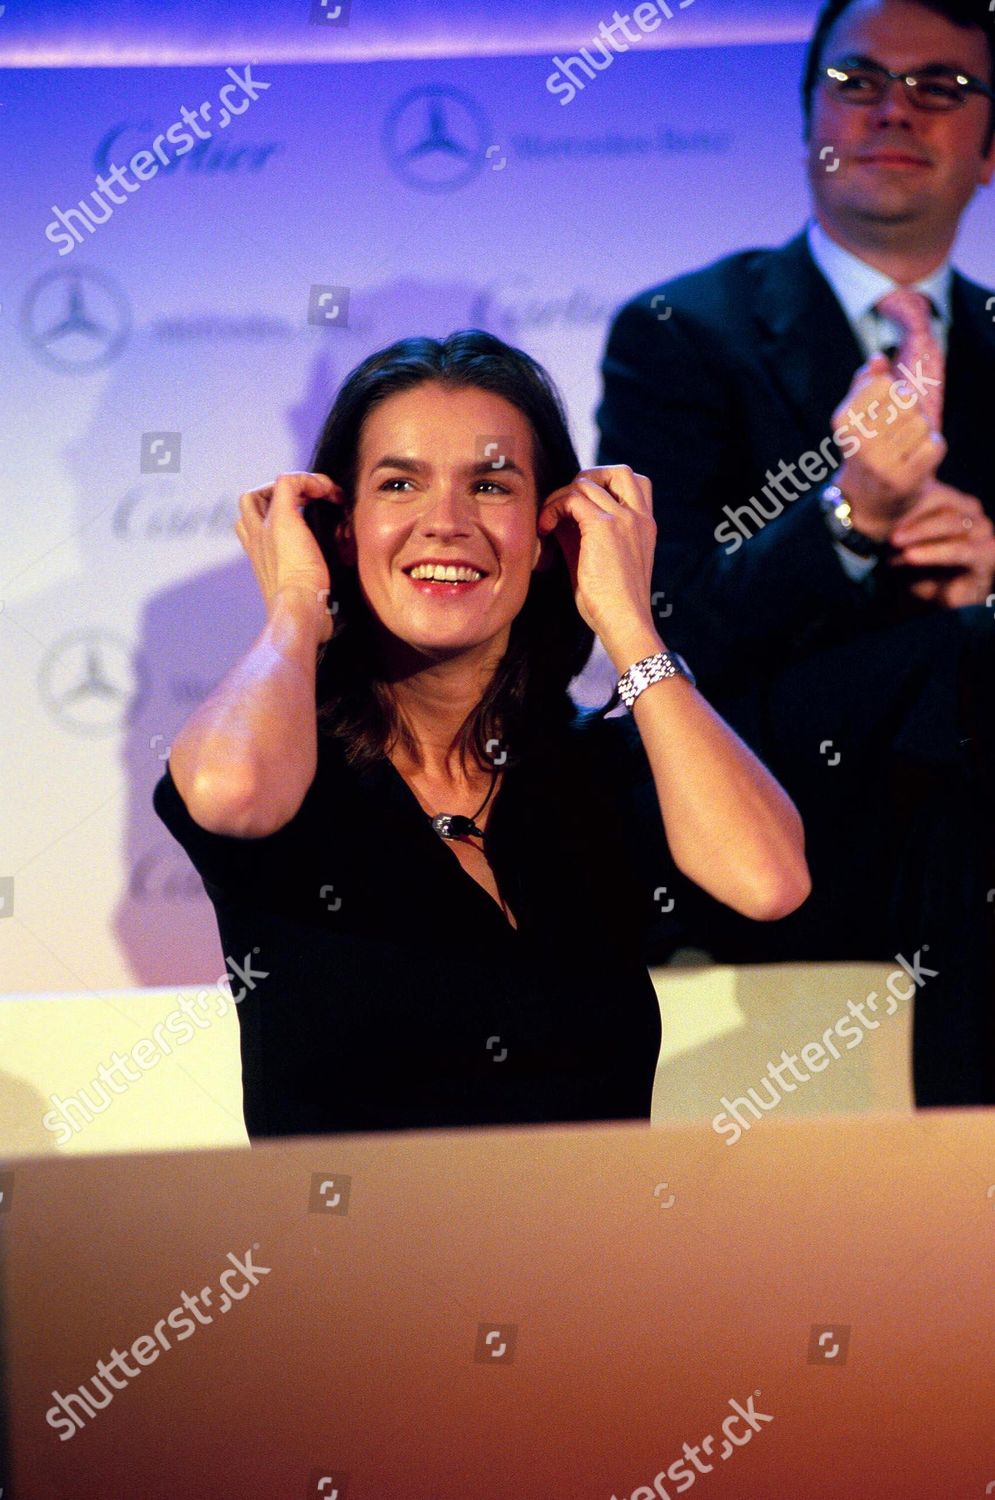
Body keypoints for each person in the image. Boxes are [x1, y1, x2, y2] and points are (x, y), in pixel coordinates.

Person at [153, 331, 809, 1139]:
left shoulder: (592, 770)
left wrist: (628, 624)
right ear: (342, 528)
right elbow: (229, 795)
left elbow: (767, 880)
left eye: (491, 486)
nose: (447, 524)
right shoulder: (285, 763)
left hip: (600, 1259)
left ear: (547, 532)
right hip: (346, 1260)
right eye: (399, 484)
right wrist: (296, 599)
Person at [596, 0, 995, 1105]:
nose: (891, 111)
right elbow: (659, 623)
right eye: (857, 81)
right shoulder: (682, 333)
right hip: (782, 807)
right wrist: (846, 517)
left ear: (989, 148)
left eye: (940, 88)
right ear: (808, 113)